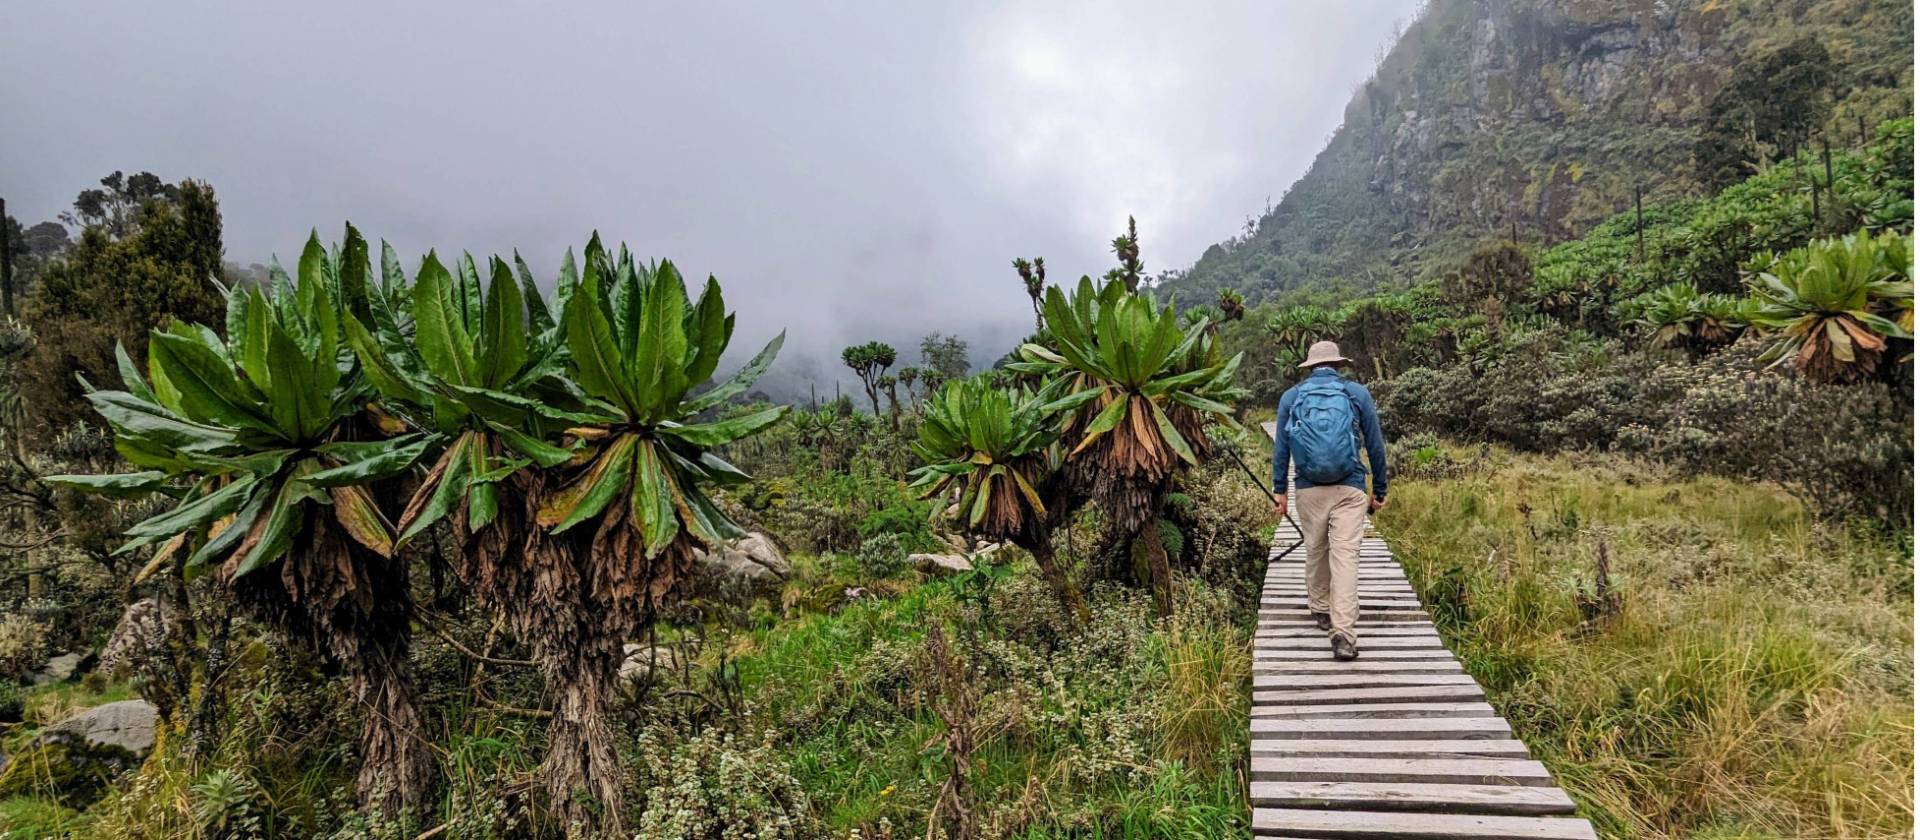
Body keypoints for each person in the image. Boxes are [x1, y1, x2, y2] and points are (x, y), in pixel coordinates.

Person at [1271, 340, 1388, 661]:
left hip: (1308, 488)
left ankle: (1321, 608)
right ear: (1339, 365)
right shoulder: (1356, 394)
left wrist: (1279, 490)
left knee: (1316, 548)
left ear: (1309, 367)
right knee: (1346, 557)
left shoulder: (1291, 397)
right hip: (1350, 487)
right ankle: (1344, 635)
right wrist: (1380, 489)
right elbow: (1376, 446)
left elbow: (1281, 448)